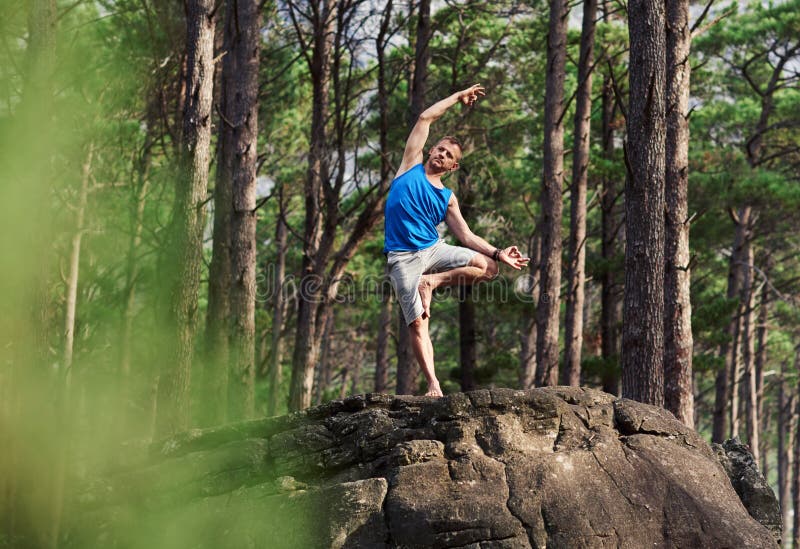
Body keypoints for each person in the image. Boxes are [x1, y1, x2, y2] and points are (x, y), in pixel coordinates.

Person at [384, 84, 530, 397]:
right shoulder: (409, 166)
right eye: (439, 149)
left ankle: (431, 282)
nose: (442, 154)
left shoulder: (448, 198)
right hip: (402, 256)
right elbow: (425, 118)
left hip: (432, 249)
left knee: (489, 268)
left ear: (454, 166)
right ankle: (434, 385)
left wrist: (498, 252)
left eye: (449, 155)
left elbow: (465, 235)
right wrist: (457, 97)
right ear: (431, 151)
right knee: (418, 324)